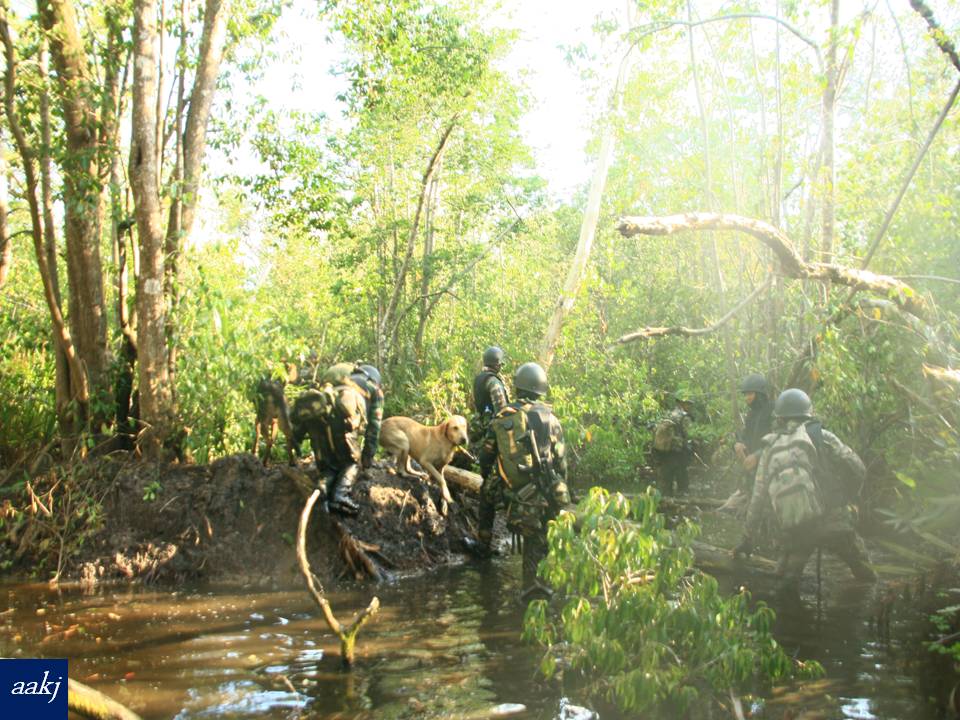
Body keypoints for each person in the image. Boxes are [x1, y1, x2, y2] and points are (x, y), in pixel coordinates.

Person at [734, 388, 877, 592]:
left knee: (785, 586)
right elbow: (858, 468)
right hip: (833, 520)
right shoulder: (822, 436)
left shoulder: (769, 448)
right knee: (867, 577)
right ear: (807, 413)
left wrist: (746, 539)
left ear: (779, 418)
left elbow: (757, 498)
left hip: (796, 527)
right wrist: (849, 497)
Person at [471, 362, 570, 599]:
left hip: (509, 490)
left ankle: (483, 545)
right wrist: (562, 487)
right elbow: (561, 462)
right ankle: (535, 586)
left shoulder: (502, 417)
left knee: (485, 492)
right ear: (541, 389)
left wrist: (491, 478)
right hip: (544, 493)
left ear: (517, 387)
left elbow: (486, 457)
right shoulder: (552, 419)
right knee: (539, 538)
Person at [292, 362, 384, 515]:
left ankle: (322, 495)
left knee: (330, 467)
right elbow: (374, 427)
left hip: (316, 424)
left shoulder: (338, 384)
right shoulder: (374, 388)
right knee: (352, 463)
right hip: (340, 421)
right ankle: (340, 496)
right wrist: (367, 458)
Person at [722, 374, 774, 512]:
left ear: (760, 393)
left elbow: (779, 440)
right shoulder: (751, 414)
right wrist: (738, 444)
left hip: (770, 468)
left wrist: (758, 455)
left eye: (750, 394)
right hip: (752, 471)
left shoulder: (773, 411)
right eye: (745, 395)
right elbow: (745, 437)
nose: (747, 398)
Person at [652, 395, 693, 495]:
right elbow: (687, 433)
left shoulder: (668, 414)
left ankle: (666, 497)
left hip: (665, 450)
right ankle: (682, 498)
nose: (689, 406)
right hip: (677, 451)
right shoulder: (684, 416)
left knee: (666, 477)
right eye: (688, 404)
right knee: (682, 476)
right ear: (681, 403)